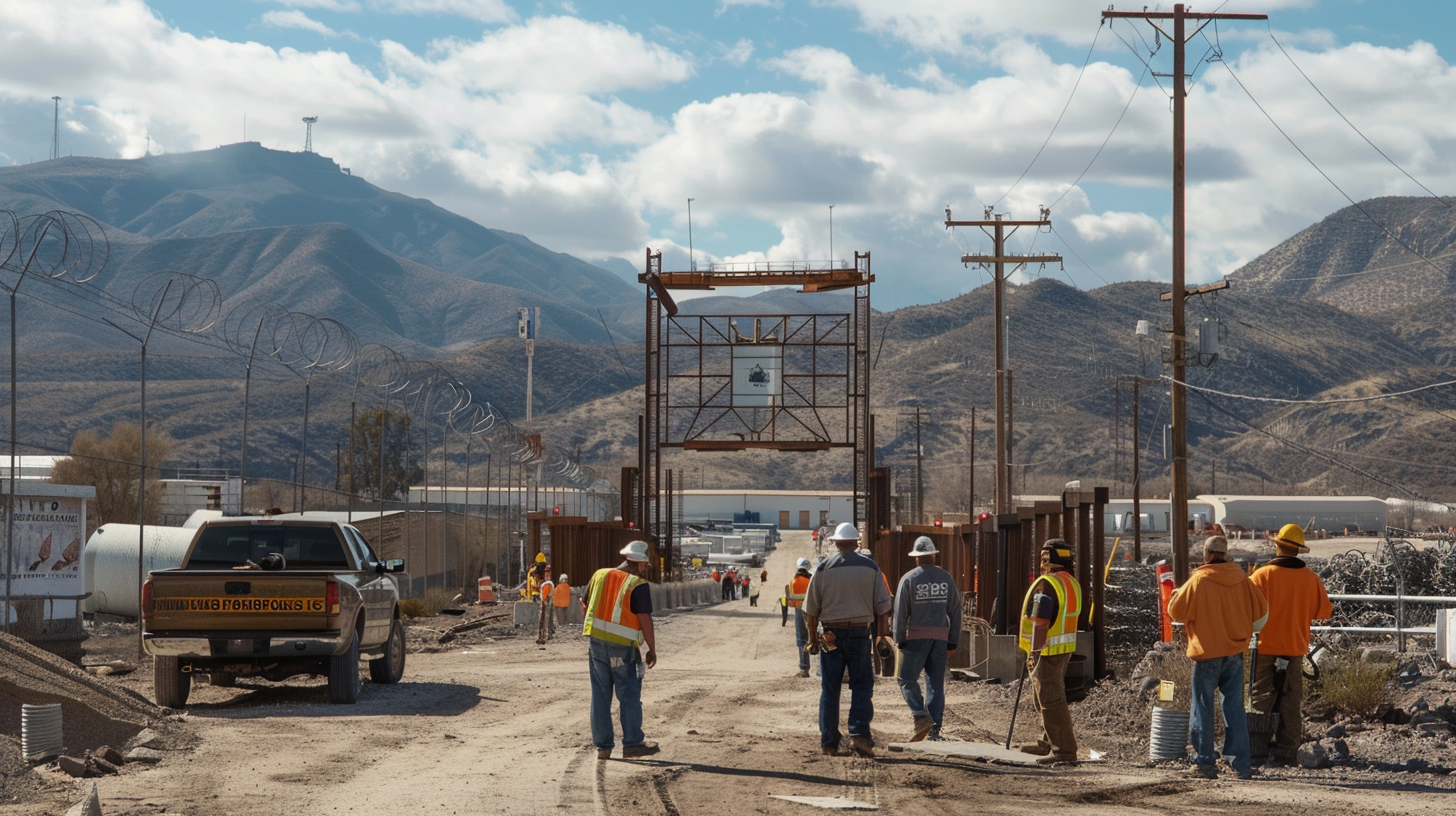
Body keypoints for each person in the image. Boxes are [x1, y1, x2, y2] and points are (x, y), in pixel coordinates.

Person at [1168, 535, 1269, 780]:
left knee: (1202, 706)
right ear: (1225, 554)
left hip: (1207, 652)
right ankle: (1239, 763)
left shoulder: (1199, 580)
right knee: (1233, 706)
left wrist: (1176, 595)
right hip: (1234, 651)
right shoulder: (1242, 580)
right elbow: (1261, 613)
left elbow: (1176, 611)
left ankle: (1204, 763)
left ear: (1206, 553)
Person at [803, 522, 893, 758]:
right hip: (860, 635)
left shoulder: (823, 569)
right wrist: (882, 637)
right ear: (856, 543)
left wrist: (813, 639)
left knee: (830, 689)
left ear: (835, 543)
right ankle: (860, 735)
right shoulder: (871, 568)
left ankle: (829, 743)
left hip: (831, 635)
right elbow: (883, 607)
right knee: (862, 685)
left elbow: (811, 610)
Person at [1250, 523, 1332, 767]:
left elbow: (1247, 610)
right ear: (1299, 550)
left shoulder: (1260, 576)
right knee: (1290, 700)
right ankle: (1287, 750)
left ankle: (1257, 748)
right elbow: (1323, 612)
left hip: (1264, 648)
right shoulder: (1311, 579)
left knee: (1260, 697)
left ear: (1277, 545)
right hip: (1294, 650)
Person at [583, 540, 660, 760]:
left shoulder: (600, 575)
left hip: (596, 645)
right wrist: (651, 649)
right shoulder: (637, 584)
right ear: (641, 563)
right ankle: (633, 743)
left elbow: (585, 603)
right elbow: (644, 618)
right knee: (628, 694)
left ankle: (604, 747)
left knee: (600, 694)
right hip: (623, 650)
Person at [1017, 539, 1084, 765]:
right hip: (1063, 648)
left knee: (1050, 700)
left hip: (1046, 650)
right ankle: (1046, 741)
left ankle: (1064, 751)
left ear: (1047, 559)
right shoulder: (1071, 583)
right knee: (1047, 697)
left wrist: (1034, 650)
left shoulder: (1047, 584)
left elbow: (1041, 620)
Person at [894, 536, 961, 742]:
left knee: (905, 679)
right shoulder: (946, 578)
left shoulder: (909, 579)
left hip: (915, 638)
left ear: (916, 558)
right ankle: (934, 731)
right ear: (933, 555)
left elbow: (900, 612)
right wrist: (953, 641)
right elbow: (956, 611)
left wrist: (899, 639)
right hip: (940, 638)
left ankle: (920, 716)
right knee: (935, 683)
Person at [787, 557, 813, 677]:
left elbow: (791, 601)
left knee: (802, 639)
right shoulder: (812, 580)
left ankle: (804, 668)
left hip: (800, 611)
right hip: (813, 611)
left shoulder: (794, 581)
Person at [536, 570, 556, 645]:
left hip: (545, 602)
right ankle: (548, 634)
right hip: (549, 603)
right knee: (549, 618)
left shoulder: (547, 584)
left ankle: (543, 635)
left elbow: (545, 594)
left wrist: (543, 601)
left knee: (543, 619)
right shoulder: (550, 584)